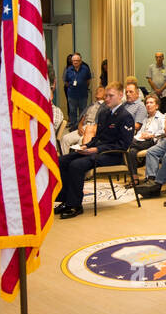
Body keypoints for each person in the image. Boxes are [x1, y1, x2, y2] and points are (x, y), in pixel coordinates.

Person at [54, 82, 136, 219]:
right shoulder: (104, 113)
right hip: (97, 151)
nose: (107, 99)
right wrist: (86, 146)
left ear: (120, 95)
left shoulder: (125, 116)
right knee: (62, 160)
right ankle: (66, 200)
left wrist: (97, 149)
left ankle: (75, 205)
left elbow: (122, 145)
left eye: (111, 96)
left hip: (112, 155)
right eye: (106, 96)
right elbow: (98, 137)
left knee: (76, 165)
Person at [126, 93, 166, 176]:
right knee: (132, 151)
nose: (148, 105)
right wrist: (139, 136)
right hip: (141, 142)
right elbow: (140, 133)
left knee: (128, 142)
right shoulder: (145, 119)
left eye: (151, 103)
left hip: (153, 142)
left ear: (157, 106)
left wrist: (152, 135)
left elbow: (164, 131)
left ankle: (125, 143)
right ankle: (134, 177)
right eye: (147, 103)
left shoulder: (161, 117)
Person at [63, 52, 91, 123]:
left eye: (77, 61)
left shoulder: (85, 69)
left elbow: (88, 80)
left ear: (80, 61)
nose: (75, 62)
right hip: (72, 95)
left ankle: (81, 125)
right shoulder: (68, 70)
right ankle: (73, 126)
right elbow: (66, 82)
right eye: (74, 61)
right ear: (72, 61)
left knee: (83, 111)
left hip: (83, 95)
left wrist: (82, 86)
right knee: (72, 111)